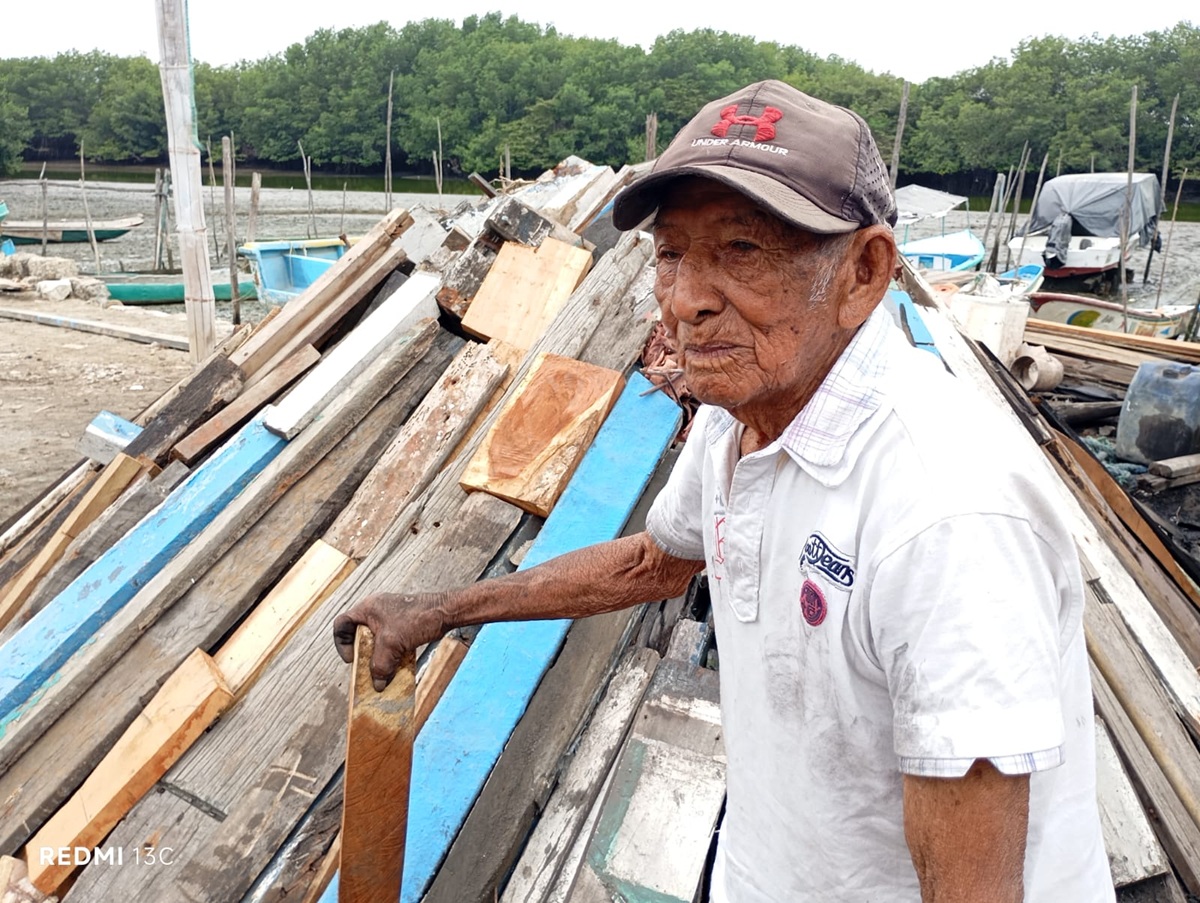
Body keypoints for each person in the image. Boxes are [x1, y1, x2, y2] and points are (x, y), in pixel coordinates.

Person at [333, 80, 1113, 902]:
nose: (686, 302)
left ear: (864, 272)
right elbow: (655, 562)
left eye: (742, 250)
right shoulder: (739, 411)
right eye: (671, 254)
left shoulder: (946, 512)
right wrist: (444, 609)